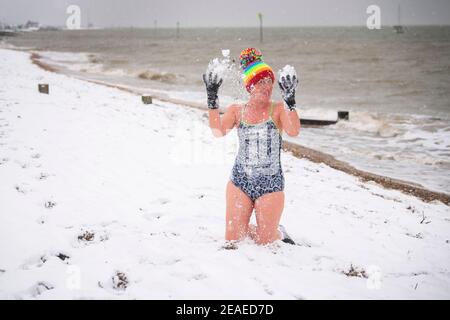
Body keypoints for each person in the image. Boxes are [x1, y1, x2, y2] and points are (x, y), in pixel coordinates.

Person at [202, 48, 300, 246]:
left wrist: (290, 102)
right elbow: (217, 131)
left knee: (266, 242)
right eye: (260, 82)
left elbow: (293, 130)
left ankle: (278, 232)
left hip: (270, 184)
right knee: (233, 238)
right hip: (240, 181)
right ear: (249, 87)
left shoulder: (278, 109)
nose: (266, 86)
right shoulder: (237, 110)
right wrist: (212, 99)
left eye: (269, 81)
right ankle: (253, 226)